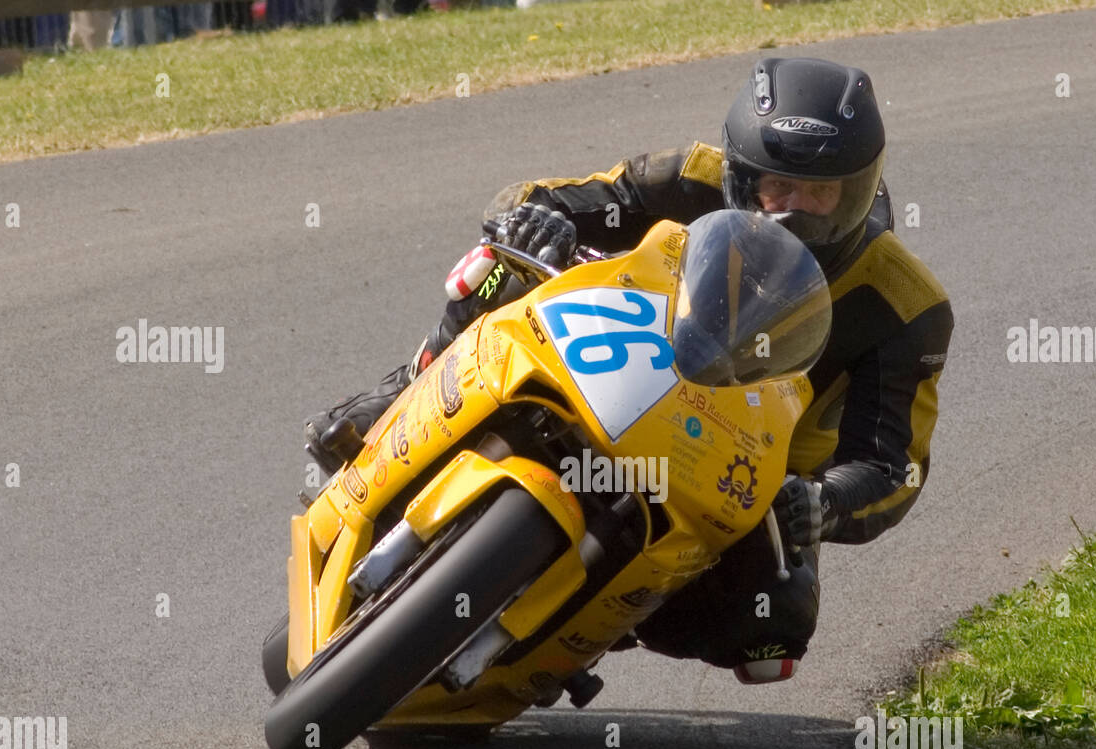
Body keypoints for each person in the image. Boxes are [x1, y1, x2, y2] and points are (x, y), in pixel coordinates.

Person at [304, 57, 952, 684]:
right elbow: (540, 197)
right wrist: (537, 221)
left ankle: (607, 616)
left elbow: (893, 467)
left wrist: (825, 501)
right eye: (776, 187)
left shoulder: (903, 307)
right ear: (739, 175)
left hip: (744, 472)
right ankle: (401, 391)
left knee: (771, 627)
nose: (793, 210)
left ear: (858, 190)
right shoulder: (689, 178)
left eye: (821, 194)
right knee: (499, 267)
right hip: (614, 357)